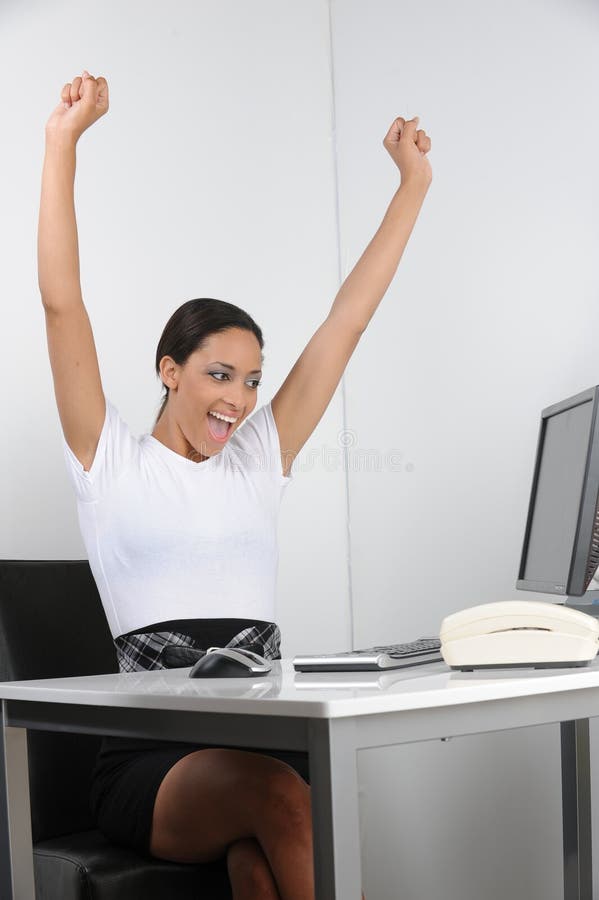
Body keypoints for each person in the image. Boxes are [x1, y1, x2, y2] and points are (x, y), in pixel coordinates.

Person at [38, 69, 432, 900]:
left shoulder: (258, 456)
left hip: (265, 743)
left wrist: (413, 184)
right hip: (153, 766)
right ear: (169, 370)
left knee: (259, 864)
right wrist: (61, 143)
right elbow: (62, 304)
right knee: (279, 803)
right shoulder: (108, 460)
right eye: (221, 375)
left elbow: (345, 322)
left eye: (253, 381)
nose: (240, 400)